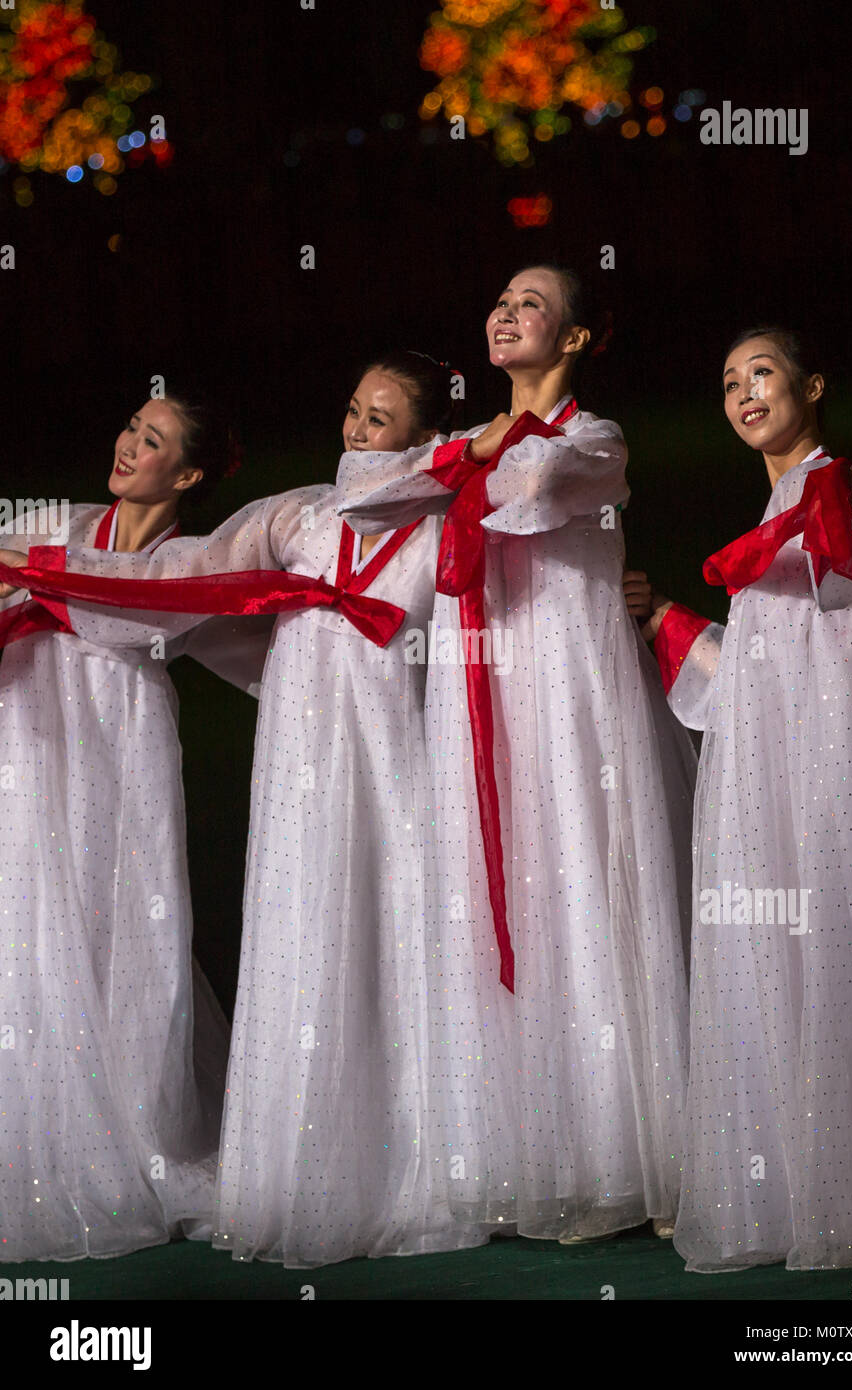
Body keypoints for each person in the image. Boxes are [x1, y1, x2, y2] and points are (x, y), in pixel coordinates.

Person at [0, 353, 489, 1266]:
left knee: (150, 931)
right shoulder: (285, 515)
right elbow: (206, 590)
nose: (353, 428)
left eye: (377, 418)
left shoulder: (426, 532)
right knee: (32, 924)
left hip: (297, 746)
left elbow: (215, 619)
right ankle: (46, 1127)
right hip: (46, 735)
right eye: (350, 408)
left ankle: (409, 1142)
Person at [339, 267, 696, 1243]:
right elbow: (364, 499)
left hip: (568, 691)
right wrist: (470, 449)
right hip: (476, 693)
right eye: (498, 298)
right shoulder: (473, 444)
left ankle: (630, 1147)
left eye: (532, 302)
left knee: (583, 874)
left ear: (577, 338)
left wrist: (470, 453)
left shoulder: (594, 439)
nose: (505, 311)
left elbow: (533, 487)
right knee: (497, 893)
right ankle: (521, 1149)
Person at [642, 327, 852, 1271]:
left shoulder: (839, 485)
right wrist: (664, 620)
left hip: (841, 768)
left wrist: (763, 544)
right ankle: (801, 1174)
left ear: (813, 383)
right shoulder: (775, 519)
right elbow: (747, 683)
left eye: (761, 373)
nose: (742, 392)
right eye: (727, 381)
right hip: (777, 782)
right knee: (785, 955)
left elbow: (843, 566)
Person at [0, 396, 235, 1260]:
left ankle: (136, 1131)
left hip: (120, 745)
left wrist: (37, 575)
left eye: (154, 441)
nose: (128, 447)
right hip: (29, 730)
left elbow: (119, 610)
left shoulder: (183, 559)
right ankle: (33, 1134)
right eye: (132, 429)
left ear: (188, 473)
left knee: (127, 923)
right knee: (28, 919)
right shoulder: (60, 521)